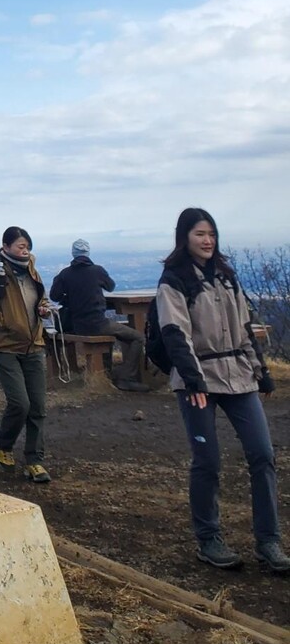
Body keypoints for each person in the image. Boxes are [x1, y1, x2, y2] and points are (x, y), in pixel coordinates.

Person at [157, 207, 289, 574]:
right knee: (208, 461)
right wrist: (193, 379)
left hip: (238, 374)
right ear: (184, 237)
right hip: (198, 379)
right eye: (200, 234)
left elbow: (245, 328)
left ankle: (269, 541)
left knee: (263, 455)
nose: (207, 240)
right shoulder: (174, 280)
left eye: (211, 233)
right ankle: (209, 539)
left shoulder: (227, 277)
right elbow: (174, 332)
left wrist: (261, 372)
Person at [0, 226, 52, 483]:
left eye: (27, 246)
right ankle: (4, 445)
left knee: (38, 406)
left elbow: (41, 299)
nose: (25, 250)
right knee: (20, 403)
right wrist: (6, 322)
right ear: (6, 246)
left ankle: (35, 461)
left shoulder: (32, 271)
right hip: (6, 347)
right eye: (20, 246)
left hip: (34, 345)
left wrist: (43, 308)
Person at [50, 239, 146, 391]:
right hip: (97, 324)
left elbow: (54, 296)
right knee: (137, 337)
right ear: (88, 253)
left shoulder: (65, 274)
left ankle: (107, 374)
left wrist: (69, 297)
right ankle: (126, 377)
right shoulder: (97, 271)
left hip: (77, 326)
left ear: (73, 254)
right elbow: (111, 286)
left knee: (110, 333)